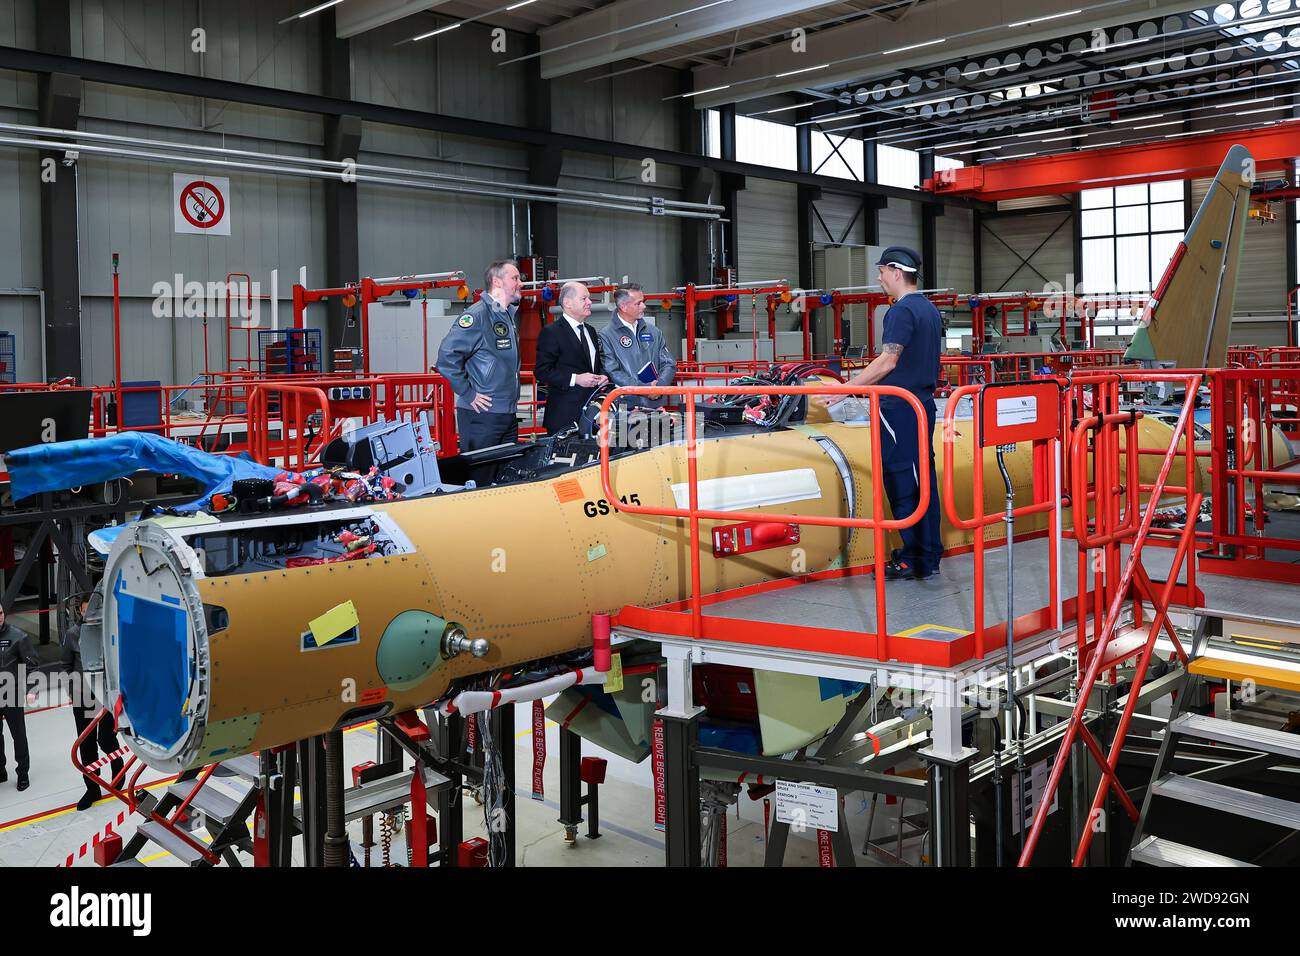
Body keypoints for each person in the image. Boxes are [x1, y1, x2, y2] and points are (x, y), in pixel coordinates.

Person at [818, 245, 943, 580]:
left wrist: (844, 390)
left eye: (882, 272)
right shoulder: (929, 310)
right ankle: (927, 552)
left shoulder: (901, 312)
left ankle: (916, 557)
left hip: (899, 408)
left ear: (896, 272)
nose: (879, 278)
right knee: (923, 479)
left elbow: (889, 360)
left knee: (903, 481)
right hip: (921, 407)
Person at [435, 259, 523, 452]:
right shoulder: (478, 315)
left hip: (507, 414)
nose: (520, 283)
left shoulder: (506, 315)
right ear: (497, 282)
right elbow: (446, 357)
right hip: (482, 416)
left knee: (506, 478)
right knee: (481, 477)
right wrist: (468, 392)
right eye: (515, 278)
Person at [64, 598, 122, 811]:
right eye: (85, 611)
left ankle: (118, 765)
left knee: (106, 738)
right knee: (86, 745)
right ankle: (93, 788)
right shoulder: (72, 634)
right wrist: (71, 690)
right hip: (83, 696)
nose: (90, 615)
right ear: (80, 612)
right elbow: (66, 665)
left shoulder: (108, 631)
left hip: (105, 694)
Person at [534, 282, 608, 434]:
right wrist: (576, 379)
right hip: (564, 416)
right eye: (584, 298)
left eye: (589, 298)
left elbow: (595, 365)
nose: (589, 302)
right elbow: (542, 371)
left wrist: (603, 376)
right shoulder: (552, 332)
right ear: (567, 303)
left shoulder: (591, 331)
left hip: (592, 415)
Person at [597, 283, 677, 409]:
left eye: (643, 301)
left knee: (660, 429)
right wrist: (645, 389)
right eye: (638, 303)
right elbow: (613, 372)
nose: (644, 306)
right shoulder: (606, 336)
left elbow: (669, 363)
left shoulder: (654, 332)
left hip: (654, 404)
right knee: (627, 430)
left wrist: (658, 387)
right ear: (623, 306)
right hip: (625, 407)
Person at [0, 604, 39, 791]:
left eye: (0, 613)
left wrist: (32, 690)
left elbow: (32, 666)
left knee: (18, 736)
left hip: (11, 694)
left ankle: (23, 773)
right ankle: (1, 770)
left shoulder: (18, 637)